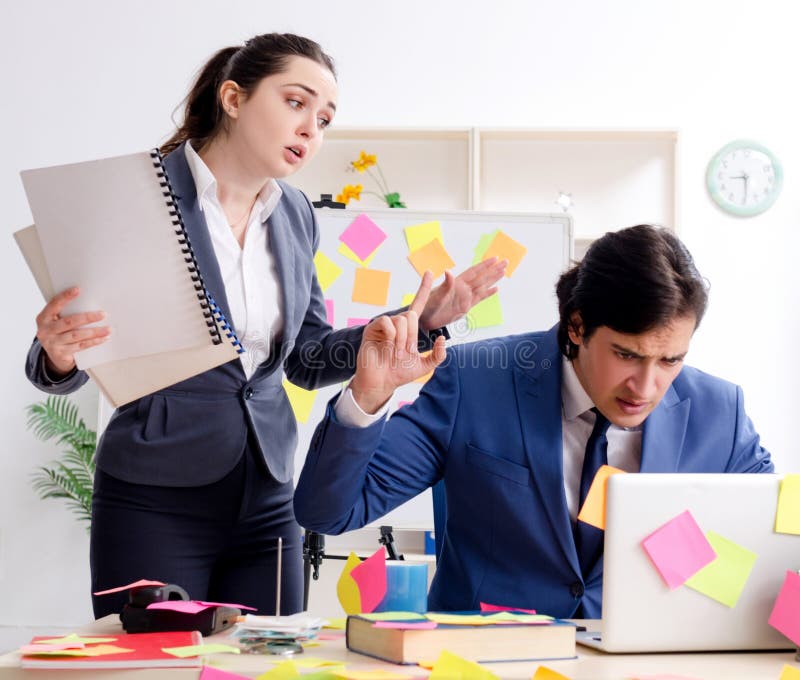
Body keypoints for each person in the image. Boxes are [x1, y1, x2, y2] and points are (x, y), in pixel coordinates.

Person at [25, 32, 506, 618]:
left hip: (269, 495)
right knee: (153, 664)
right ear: (232, 97)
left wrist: (414, 321)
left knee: (270, 663)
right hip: (155, 495)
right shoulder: (137, 191)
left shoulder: (296, 213)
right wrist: (58, 353)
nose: (312, 129)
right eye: (296, 103)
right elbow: (58, 357)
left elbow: (306, 358)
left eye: (325, 118)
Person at [294, 224, 774, 619]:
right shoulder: (474, 384)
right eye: (627, 355)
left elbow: (765, 546)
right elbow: (328, 513)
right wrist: (367, 398)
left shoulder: (719, 412)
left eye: (670, 360)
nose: (646, 387)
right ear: (577, 326)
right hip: (486, 664)